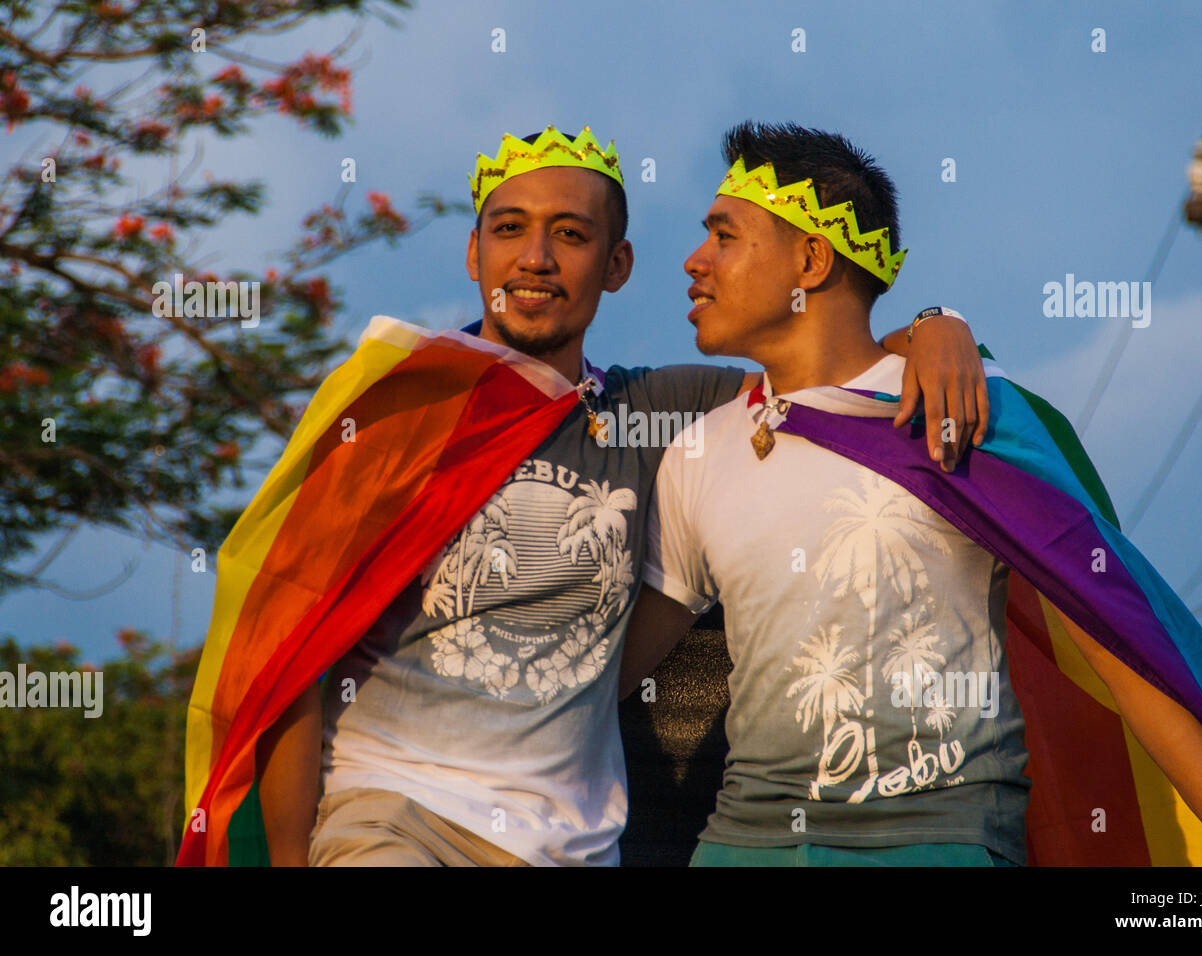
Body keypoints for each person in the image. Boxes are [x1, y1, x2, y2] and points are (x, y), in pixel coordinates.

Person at [180, 125, 991, 867]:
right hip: (392, 816)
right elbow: (289, 655)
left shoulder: (661, 412)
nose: (535, 257)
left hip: (568, 847)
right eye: (509, 230)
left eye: (570, 234)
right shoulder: (400, 414)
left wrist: (935, 322)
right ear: (473, 254)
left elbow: (825, 365)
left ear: (616, 266)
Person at [621, 121, 1202, 867]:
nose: (693, 261)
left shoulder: (961, 410)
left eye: (724, 236)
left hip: (942, 844)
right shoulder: (700, 450)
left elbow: (1111, 628)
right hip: (745, 847)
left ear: (810, 259)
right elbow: (612, 675)